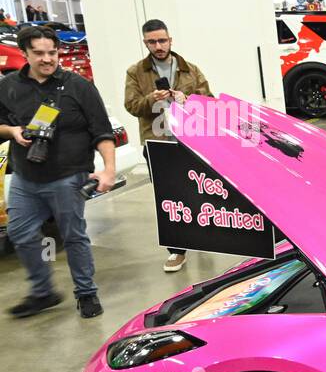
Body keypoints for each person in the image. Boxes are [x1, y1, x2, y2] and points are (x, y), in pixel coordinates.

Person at [0, 25, 116, 319]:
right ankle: (43, 292)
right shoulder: (9, 86)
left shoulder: (79, 87)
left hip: (68, 176)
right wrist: (12, 130)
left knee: (73, 235)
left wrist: (108, 170)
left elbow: (102, 132)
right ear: (25, 53)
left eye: (52, 52)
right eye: (39, 53)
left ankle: (86, 293)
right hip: (26, 178)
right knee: (19, 233)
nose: (47, 58)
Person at [123, 19, 211, 273]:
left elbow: (209, 101)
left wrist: (188, 99)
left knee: (198, 192)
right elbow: (132, 106)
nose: (159, 45)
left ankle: (204, 235)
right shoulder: (136, 72)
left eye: (162, 40)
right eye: (153, 41)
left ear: (170, 40)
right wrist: (151, 98)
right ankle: (177, 251)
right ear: (145, 43)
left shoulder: (189, 70)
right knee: (168, 198)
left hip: (190, 142)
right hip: (158, 143)